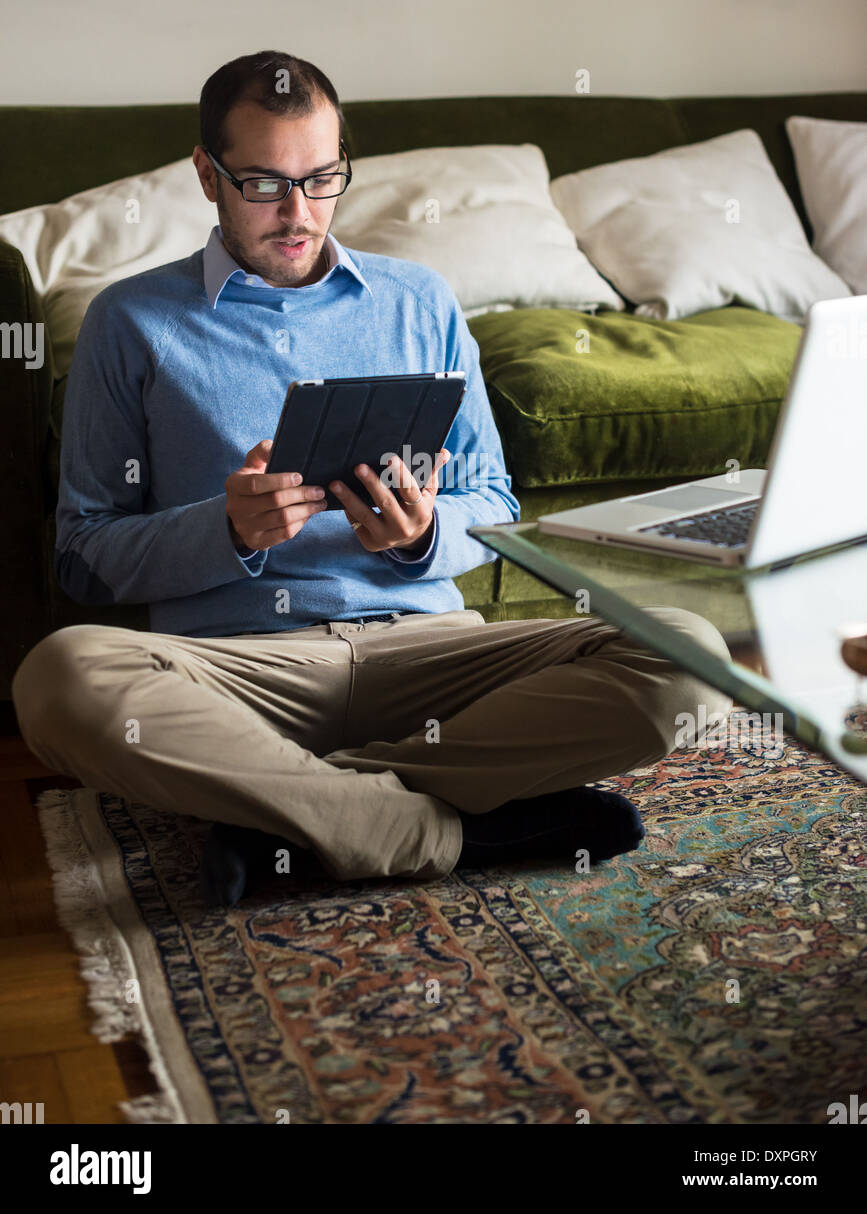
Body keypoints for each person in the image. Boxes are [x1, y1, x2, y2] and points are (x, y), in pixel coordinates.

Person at [11, 51, 732, 906]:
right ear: (207, 175)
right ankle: (449, 827)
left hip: (430, 656)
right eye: (263, 184)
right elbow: (83, 558)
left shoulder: (419, 301)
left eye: (321, 179)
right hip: (240, 675)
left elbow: (494, 502)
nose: (298, 212)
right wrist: (227, 531)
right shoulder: (127, 322)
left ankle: (294, 809)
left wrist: (423, 535)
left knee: (691, 657)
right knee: (60, 678)